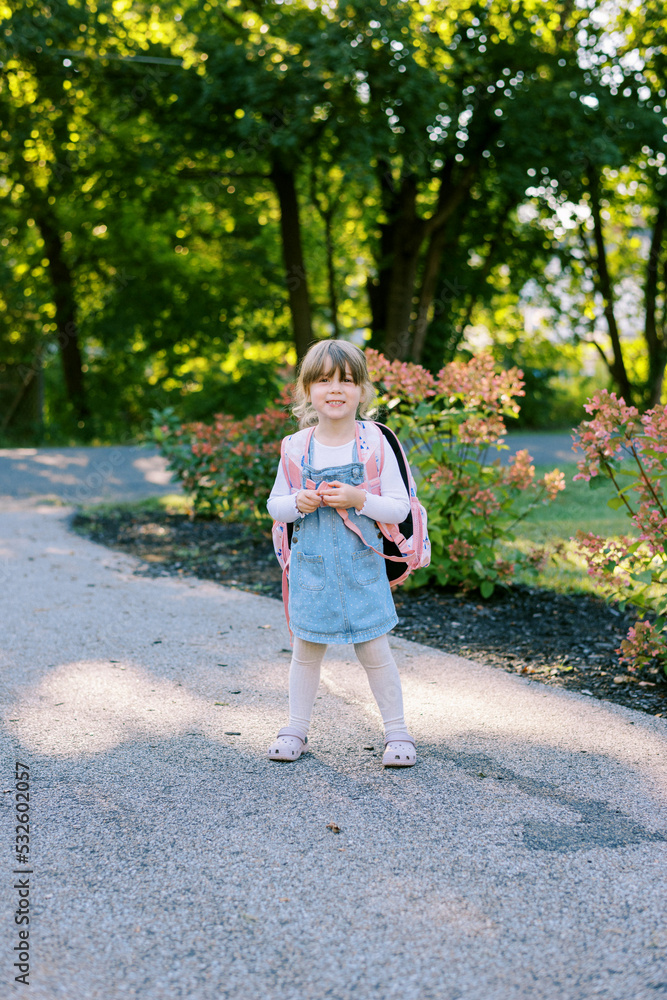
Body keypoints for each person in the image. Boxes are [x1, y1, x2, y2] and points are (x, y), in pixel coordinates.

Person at [266, 339, 417, 767]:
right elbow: (274, 505)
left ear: (362, 390)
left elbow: (400, 506)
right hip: (312, 569)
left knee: (374, 650)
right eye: (324, 380)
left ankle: (397, 731)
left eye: (347, 381)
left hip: (361, 567)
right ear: (308, 391)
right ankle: (296, 728)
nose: (336, 389)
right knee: (306, 651)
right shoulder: (295, 446)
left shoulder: (374, 443)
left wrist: (357, 497)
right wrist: (298, 502)